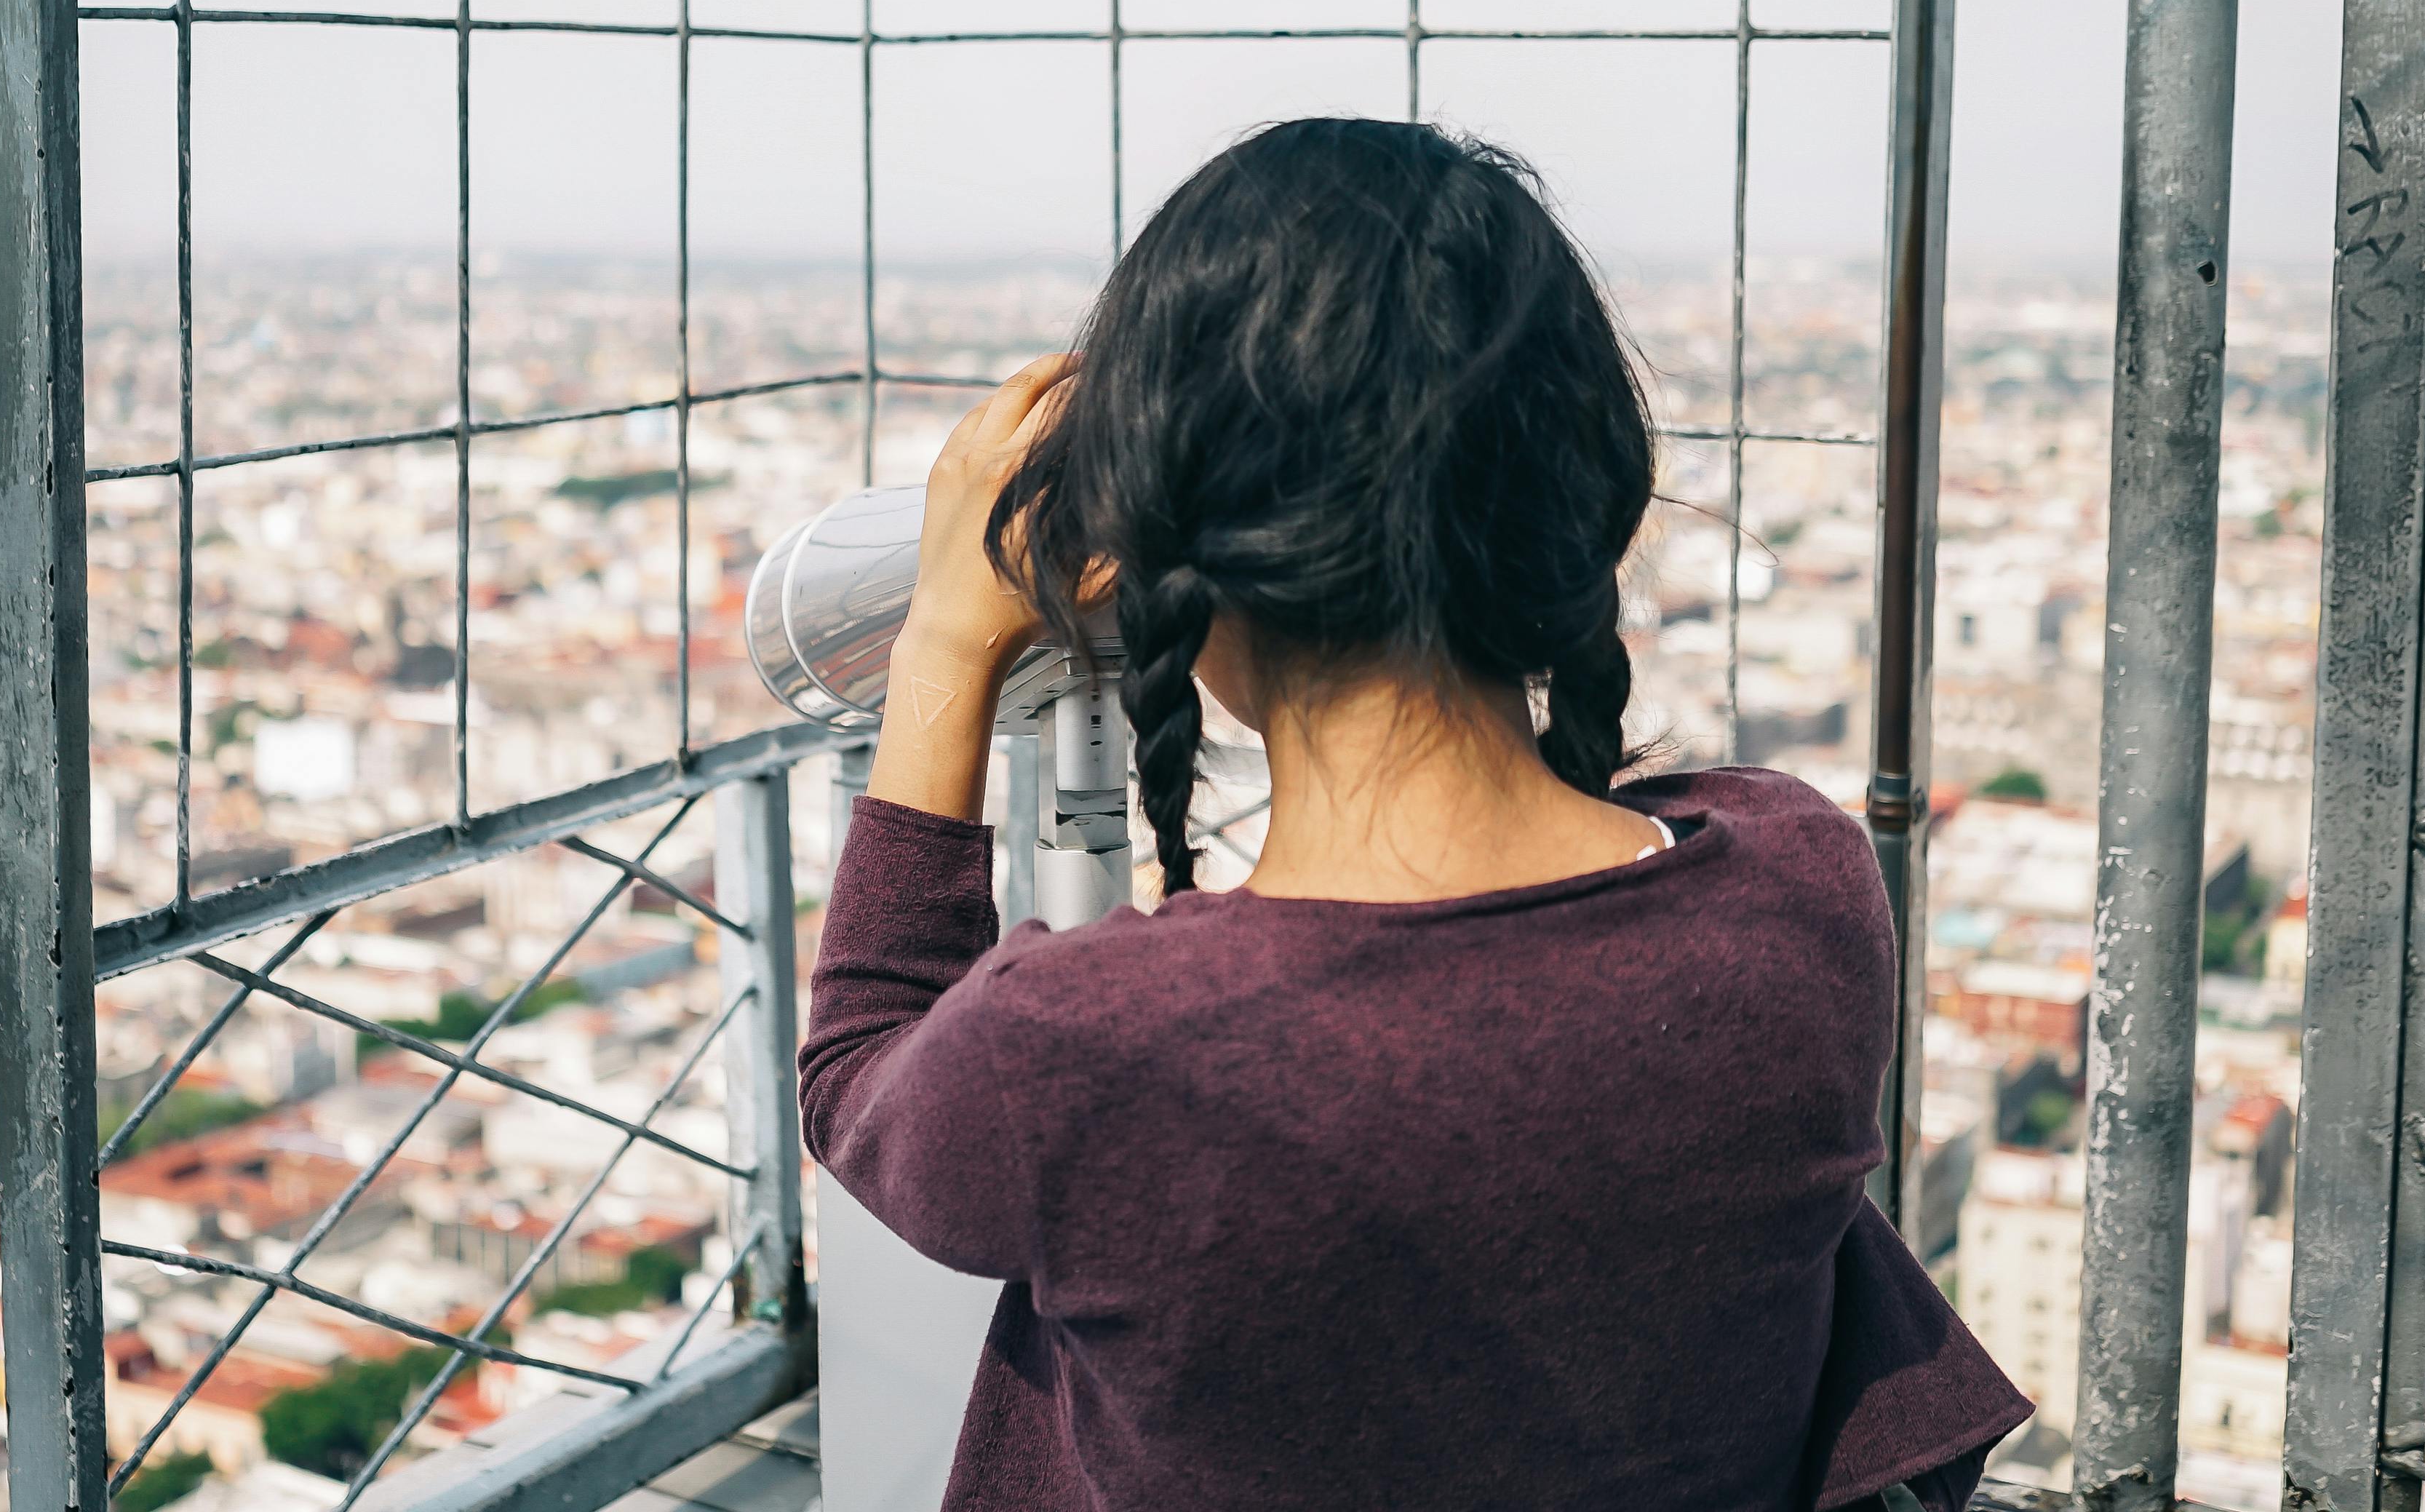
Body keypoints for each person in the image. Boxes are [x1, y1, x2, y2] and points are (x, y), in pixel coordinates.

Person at [799, 119, 2028, 1511]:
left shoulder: (1094, 1052)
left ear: (1159, 544)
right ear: (1586, 495)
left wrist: (947, 647)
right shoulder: (1800, 886)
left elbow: (858, 1075)